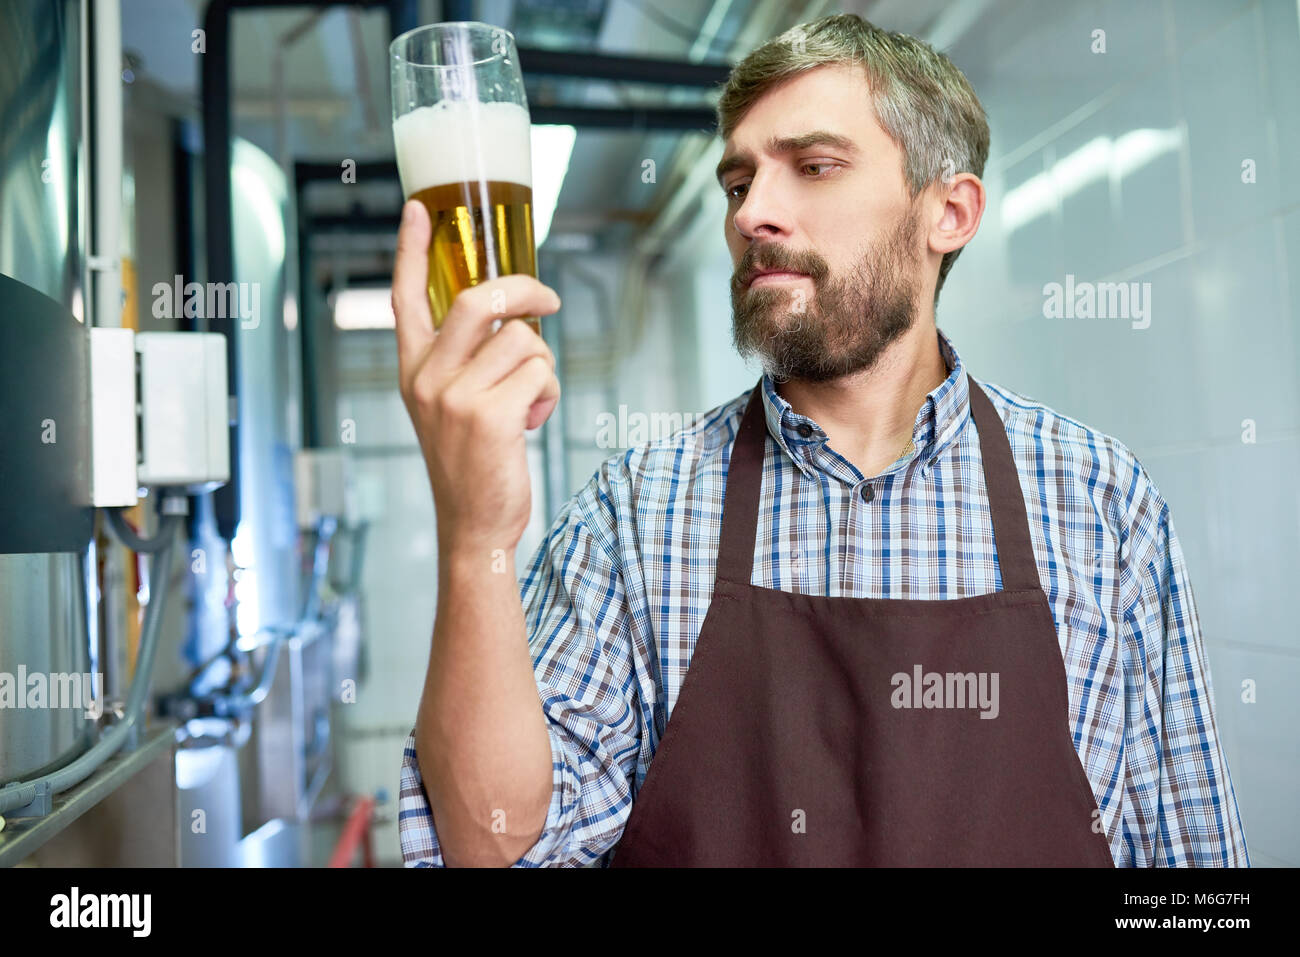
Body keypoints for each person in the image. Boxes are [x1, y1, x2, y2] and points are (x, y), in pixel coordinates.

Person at [391, 13, 1248, 867]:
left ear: (949, 211)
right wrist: (474, 538)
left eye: (814, 166)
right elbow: (496, 846)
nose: (753, 212)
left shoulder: (1100, 501)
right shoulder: (638, 512)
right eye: (737, 184)